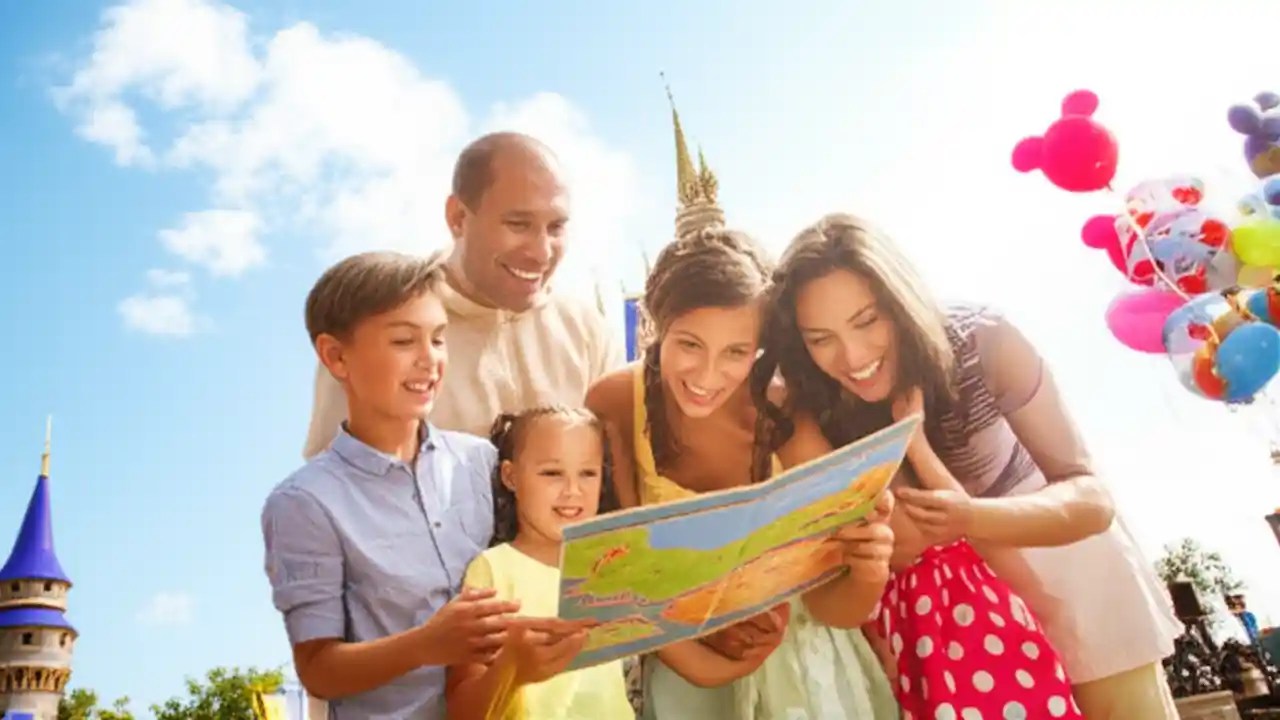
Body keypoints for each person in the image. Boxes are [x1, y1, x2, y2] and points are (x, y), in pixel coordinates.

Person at [752, 212, 1183, 719]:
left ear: (900, 300)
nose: (852, 355)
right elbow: (882, 553)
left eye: (867, 321)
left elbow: (1091, 498)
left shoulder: (984, 339)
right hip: (967, 630)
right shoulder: (814, 406)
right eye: (820, 338)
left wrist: (969, 517)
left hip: (1074, 578)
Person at [587, 228, 900, 719]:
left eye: (736, 352)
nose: (707, 375)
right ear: (655, 324)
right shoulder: (616, 404)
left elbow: (834, 608)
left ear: (760, 346)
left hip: (803, 674)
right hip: (683, 662)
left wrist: (870, 569)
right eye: (690, 344)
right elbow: (623, 579)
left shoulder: (786, 420)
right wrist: (704, 641)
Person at [262, 251, 584, 719]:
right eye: (403, 341)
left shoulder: (482, 461)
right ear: (336, 356)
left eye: (438, 338)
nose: (429, 360)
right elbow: (318, 669)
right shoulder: (305, 503)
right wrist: (426, 644)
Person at [302, 131, 625, 455]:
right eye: (518, 224)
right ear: (458, 218)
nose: (542, 253)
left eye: (556, 228)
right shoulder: (377, 322)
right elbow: (333, 471)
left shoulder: (585, 329)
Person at [447, 406, 634, 719]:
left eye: (588, 473)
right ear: (511, 477)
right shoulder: (494, 569)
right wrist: (511, 667)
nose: (573, 491)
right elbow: (462, 710)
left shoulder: (610, 568)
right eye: (552, 473)